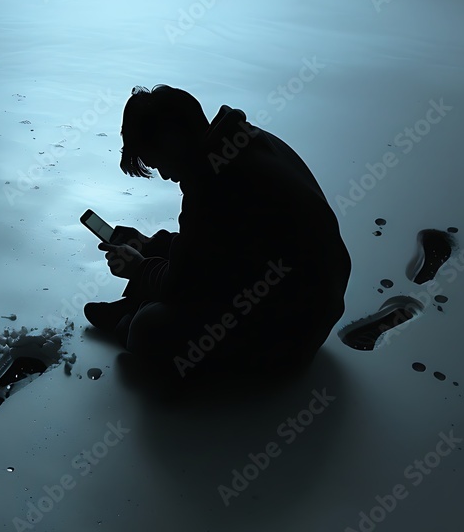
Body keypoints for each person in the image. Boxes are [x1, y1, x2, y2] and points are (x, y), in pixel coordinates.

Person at [84, 85, 352, 379]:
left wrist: (138, 269)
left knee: (149, 330)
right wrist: (149, 245)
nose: (162, 173)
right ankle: (133, 308)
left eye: (156, 160)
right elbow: (217, 248)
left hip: (291, 332)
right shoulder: (246, 143)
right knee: (170, 282)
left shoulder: (212, 186)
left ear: (171, 141)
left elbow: (183, 285)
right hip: (308, 302)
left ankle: (130, 318)